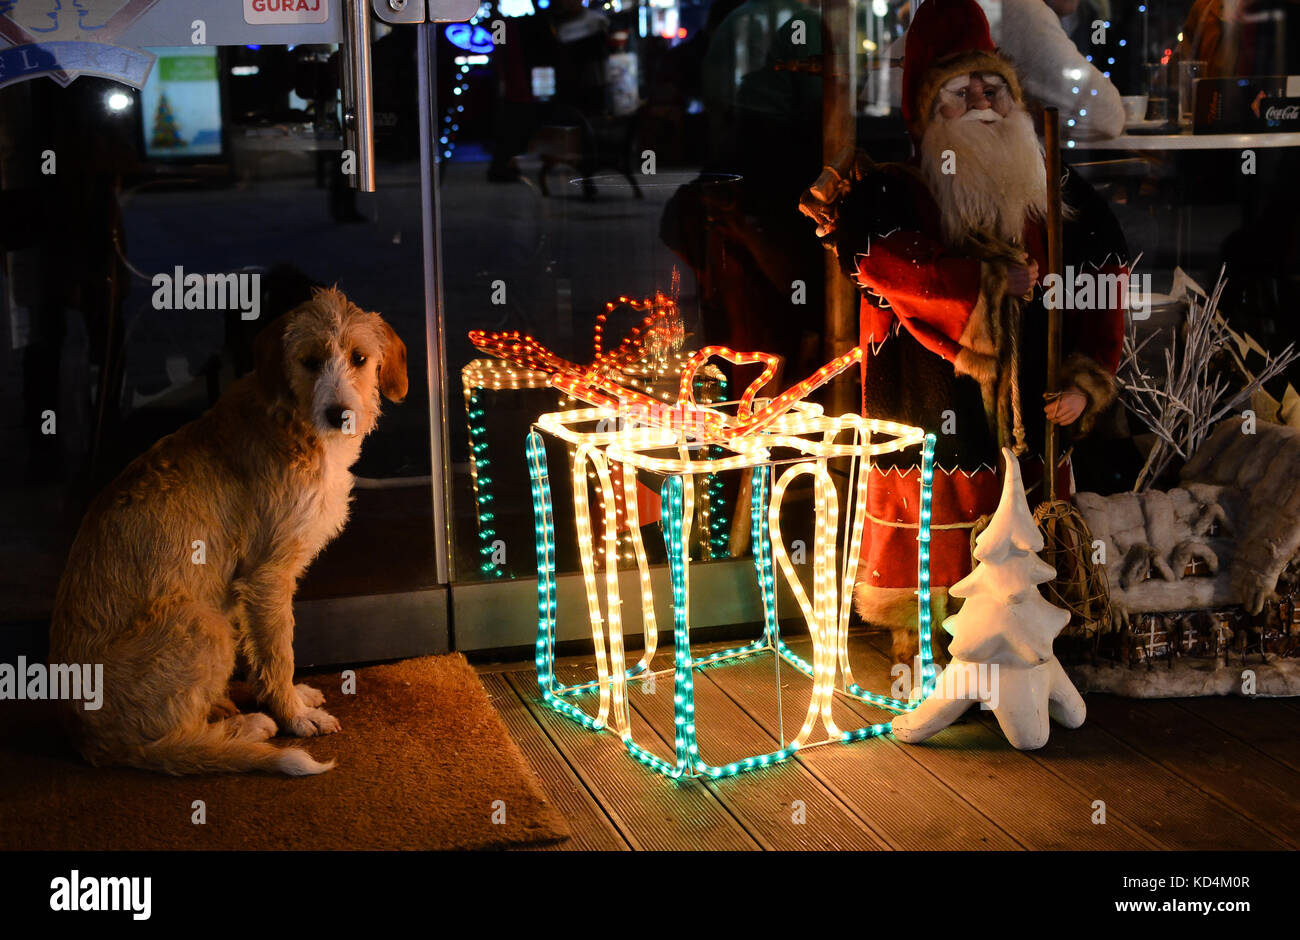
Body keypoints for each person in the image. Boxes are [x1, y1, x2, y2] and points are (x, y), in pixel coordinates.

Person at [800, 0, 1129, 663]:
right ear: (925, 111)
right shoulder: (893, 191)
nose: (982, 102)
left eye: (993, 88)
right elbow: (885, 263)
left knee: (1030, 546)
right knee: (937, 543)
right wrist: (980, 284)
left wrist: (1087, 385)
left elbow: (1101, 290)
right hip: (927, 407)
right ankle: (921, 641)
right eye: (959, 91)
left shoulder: (1060, 197)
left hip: (1031, 417)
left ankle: (1030, 644)